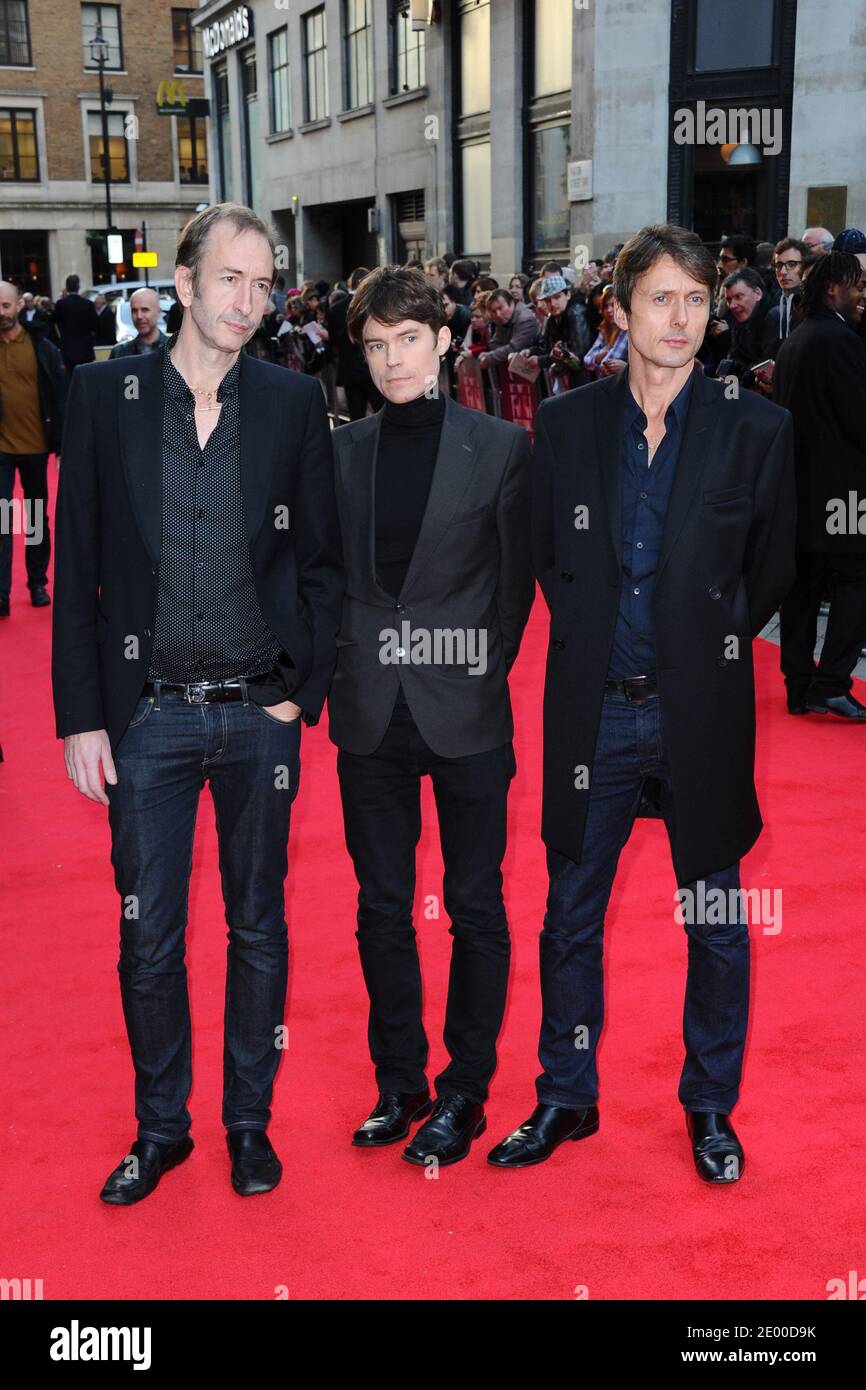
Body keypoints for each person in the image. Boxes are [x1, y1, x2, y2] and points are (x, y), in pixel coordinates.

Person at [489, 223, 795, 1183]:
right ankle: (565, 1097)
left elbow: (774, 566)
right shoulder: (572, 423)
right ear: (620, 307)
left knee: (714, 918)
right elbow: (547, 552)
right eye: (661, 298)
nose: (681, 319)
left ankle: (710, 1107)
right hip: (597, 713)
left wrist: (707, 643)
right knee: (570, 914)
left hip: (698, 710)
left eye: (698, 300)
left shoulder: (757, 428)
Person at [52, 201, 343, 1205]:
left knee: (259, 928)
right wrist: (84, 717)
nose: (250, 301)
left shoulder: (291, 402)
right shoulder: (103, 396)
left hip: (256, 715)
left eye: (265, 284)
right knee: (150, 934)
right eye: (231, 278)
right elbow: (80, 561)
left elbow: (320, 564)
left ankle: (248, 1124)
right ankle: (161, 1126)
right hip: (150, 718)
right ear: (181, 285)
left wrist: (296, 691)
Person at [330, 266, 534, 1166]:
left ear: (445, 341)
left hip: (464, 712)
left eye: (407, 340)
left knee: (474, 904)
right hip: (370, 713)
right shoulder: (341, 452)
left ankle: (465, 1091)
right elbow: (331, 581)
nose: (392, 360)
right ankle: (400, 1082)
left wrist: (475, 666)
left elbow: (515, 583)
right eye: (375, 346)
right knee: (380, 907)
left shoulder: (498, 447)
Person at [773, 250, 866, 718]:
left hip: (803, 489)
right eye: (857, 285)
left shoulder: (796, 340)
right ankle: (830, 681)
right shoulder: (840, 340)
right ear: (834, 287)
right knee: (857, 579)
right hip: (845, 493)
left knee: (803, 587)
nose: (862, 294)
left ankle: (798, 683)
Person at [0, 280, 66, 618]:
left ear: (18, 306)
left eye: (6, 306)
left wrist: (62, 443)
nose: (1, 313)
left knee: (36, 519)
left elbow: (59, 391)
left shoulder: (41, 345)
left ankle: (37, 582)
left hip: (36, 447)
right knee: (2, 519)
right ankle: (1, 591)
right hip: (1, 450)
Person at [325, 267, 384, 420]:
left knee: (356, 417)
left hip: (350, 371)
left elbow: (333, 342)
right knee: (382, 413)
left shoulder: (335, 309)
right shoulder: (374, 305)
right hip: (372, 368)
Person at [523, 273, 591, 391]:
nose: (553, 303)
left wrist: (541, 360)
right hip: (567, 381)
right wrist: (530, 351)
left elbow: (578, 356)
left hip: (583, 383)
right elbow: (547, 346)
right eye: (548, 300)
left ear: (568, 294)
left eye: (557, 297)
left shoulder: (575, 313)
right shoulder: (552, 318)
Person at [478, 288, 537, 370]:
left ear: (512, 303)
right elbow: (495, 343)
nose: (498, 314)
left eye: (500, 308)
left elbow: (514, 348)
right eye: (494, 311)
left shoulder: (525, 319)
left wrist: (489, 358)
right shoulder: (504, 319)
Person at [50, 273, 99, 372]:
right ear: (78, 286)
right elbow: (95, 325)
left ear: (67, 287)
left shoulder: (61, 304)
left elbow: (53, 321)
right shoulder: (88, 304)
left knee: (70, 381)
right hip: (85, 349)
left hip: (68, 349)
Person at [109, 288, 168, 358]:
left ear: (158, 312)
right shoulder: (119, 352)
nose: (139, 316)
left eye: (145, 310)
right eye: (134, 311)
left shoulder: (173, 348)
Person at [583, 284, 628, 376]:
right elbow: (586, 360)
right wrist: (598, 357)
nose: (609, 310)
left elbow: (606, 365)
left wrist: (598, 358)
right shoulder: (604, 328)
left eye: (613, 305)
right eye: (605, 306)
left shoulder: (627, 329)